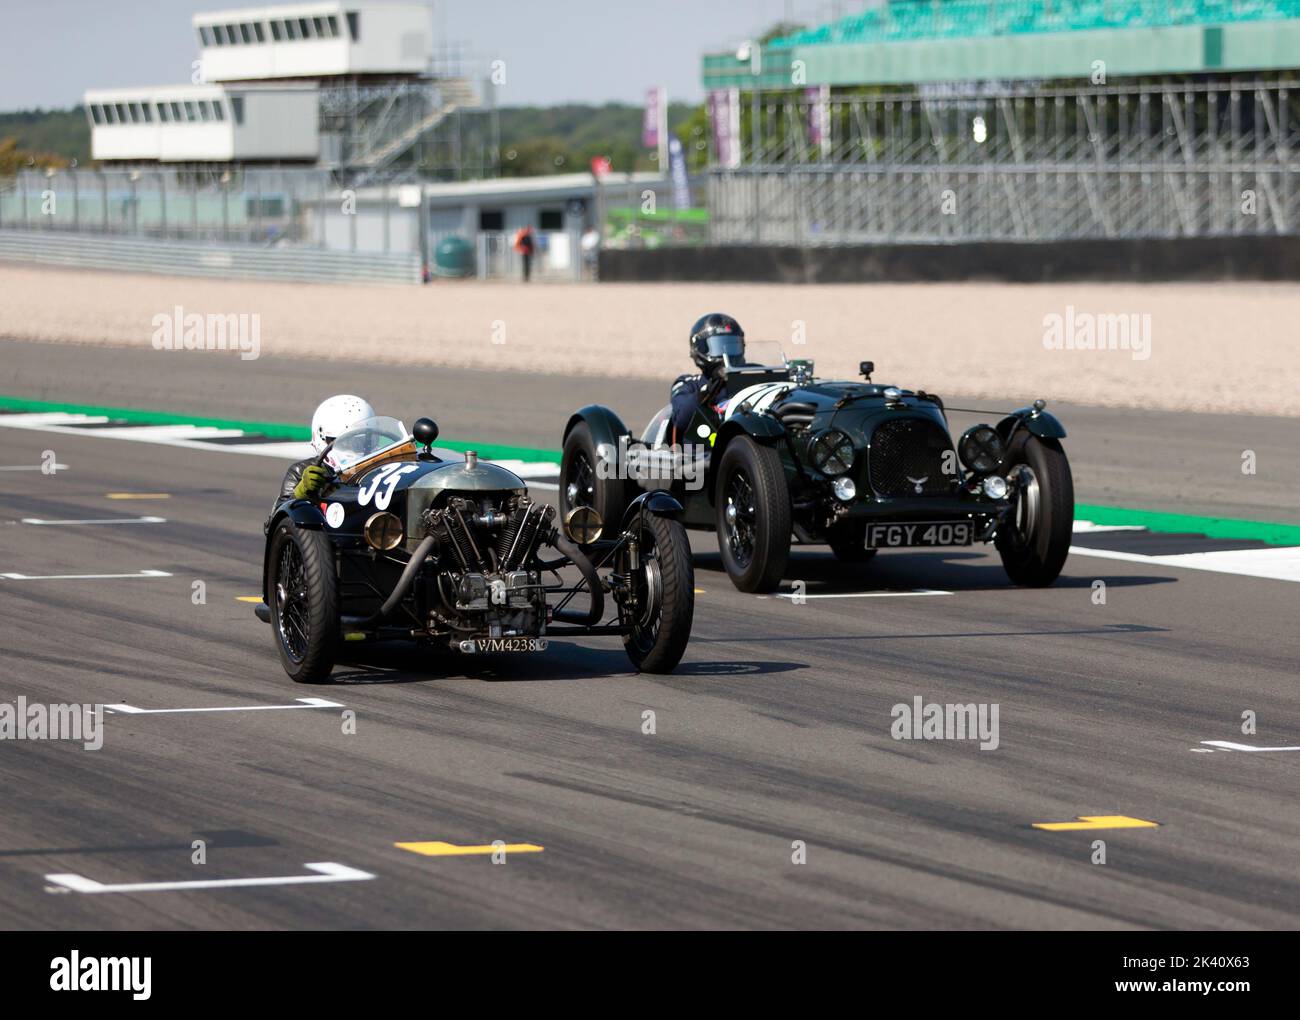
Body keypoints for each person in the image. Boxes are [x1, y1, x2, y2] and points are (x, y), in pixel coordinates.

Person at [277, 394, 376, 503]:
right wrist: (301, 492)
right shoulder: (299, 472)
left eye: (359, 441)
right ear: (322, 438)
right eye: (342, 442)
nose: (352, 448)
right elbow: (281, 516)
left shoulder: (382, 468)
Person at [670, 313, 745, 445]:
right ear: (700, 348)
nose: (727, 354)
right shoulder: (688, 384)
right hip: (701, 454)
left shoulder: (752, 378)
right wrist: (711, 388)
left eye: (732, 346)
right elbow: (682, 417)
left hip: (751, 447)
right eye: (719, 347)